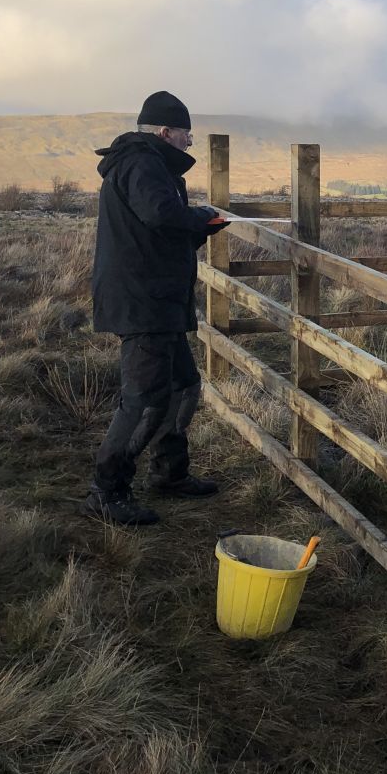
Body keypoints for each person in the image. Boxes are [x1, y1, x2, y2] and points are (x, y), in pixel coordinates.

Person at [84, 90, 228, 525]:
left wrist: (201, 225)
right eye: (186, 133)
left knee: (183, 386)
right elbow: (160, 213)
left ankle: (170, 472)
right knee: (144, 401)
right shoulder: (143, 163)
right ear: (166, 132)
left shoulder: (148, 163)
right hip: (143, 302)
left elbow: (163, 227)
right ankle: (107, 492)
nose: (189, 141)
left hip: (159, 299)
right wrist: (201, 217)